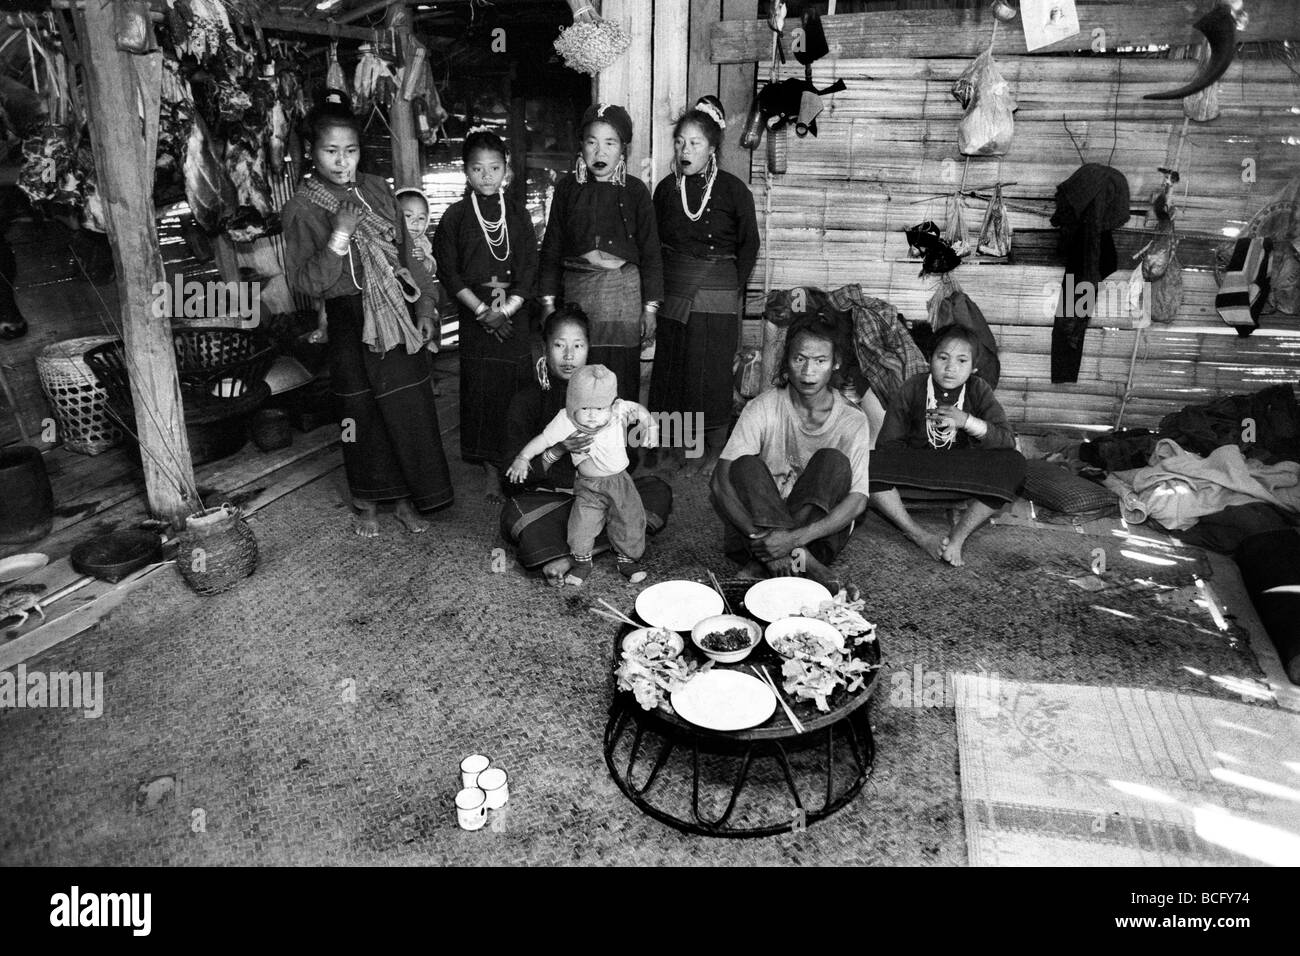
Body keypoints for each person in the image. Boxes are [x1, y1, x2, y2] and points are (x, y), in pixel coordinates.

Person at [282, 92, 452, 537]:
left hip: (397, 312)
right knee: (361, 415)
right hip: (348, 321)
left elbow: (410, 257)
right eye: (331, 151)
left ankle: (406, 502)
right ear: (312, 153)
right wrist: (339, 236)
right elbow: (305, 282)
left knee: (407, 408)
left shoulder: (378, 190)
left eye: (351, 150)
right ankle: (368, 504)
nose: (342, 162)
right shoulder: (302, 207)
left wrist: (427, 306)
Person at [499, 305, 672, 586]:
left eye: (578, 346)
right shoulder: (526, 399)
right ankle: (606, 544)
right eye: (559, 345)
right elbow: (510, 475)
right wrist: (558, 451)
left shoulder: (604, 396)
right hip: (555, 499)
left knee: (656, 490)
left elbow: (631, 460)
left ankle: (577, 554)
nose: (569, 356)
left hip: (605, 494)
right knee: (515, 516)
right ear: (544, 347)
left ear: (588, 349)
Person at [710, 312, 871, 588]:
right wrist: (764, 543)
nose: (808, 372)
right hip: (756, 535)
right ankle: (805, 567)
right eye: (800, 359)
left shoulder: (853, 419)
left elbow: (858, 500)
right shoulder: (763, 406)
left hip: (815, 539)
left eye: (820, 361)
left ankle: (773, 565)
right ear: (787, 360)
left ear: (836, 363)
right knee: (743, 464)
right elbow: (719, 483)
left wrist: (793, 540)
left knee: (832, 461)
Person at [651, 96, 759, 478]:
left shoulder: (733, 191)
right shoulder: (665, 190)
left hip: (717, 295)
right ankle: (674, 447)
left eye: (694, 143)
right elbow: (654, 245)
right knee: (675, 370)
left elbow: (750, 245)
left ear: (712, 148)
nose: (685, 150)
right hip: (675, 292)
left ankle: (710, 450)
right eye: (680, 142)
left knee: (709, 375)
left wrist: (730, 285)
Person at [433, 130, 539, 501]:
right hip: (475, 315)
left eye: (494, 168)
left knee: (515, 390)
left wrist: (507, 310)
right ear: (466, 172)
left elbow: (529, 266)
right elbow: (448, 271)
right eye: (478, 169)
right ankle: (490, 468)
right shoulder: (455, 216)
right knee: (482, 391)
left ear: (506, 169)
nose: (487, 176)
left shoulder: (519, 213)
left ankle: (518, 460)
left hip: (514, 315)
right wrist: (483, 312)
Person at [869, 325, 1026, 566]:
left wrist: (966, 422)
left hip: (962, 475)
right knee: (866, 464)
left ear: (973, 367)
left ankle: (958, 536)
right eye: (943, 358)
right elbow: (888, 444)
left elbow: (1006, 440)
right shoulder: (913, 387)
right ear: (930, 359)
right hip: (916, 471)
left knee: (1014, 463)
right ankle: (918, 535)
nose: (951, 368)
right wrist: (914, 457)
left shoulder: (978, 389)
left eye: (961, 360)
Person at [538, 103, 663, 403]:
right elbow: (552, 248)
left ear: (624, 150)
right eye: (592, 142)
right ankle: (578, 445)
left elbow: (651, 253)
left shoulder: (635, 192)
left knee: (621, 380)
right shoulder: (567, 189)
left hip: (624, 299)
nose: (600, 152)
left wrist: (650, 309)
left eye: (610, 143)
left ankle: (621, 448)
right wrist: (546, 302)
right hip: (579, 298)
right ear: (581, 146)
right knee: (579, 375)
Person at [507, 363, 657, 585]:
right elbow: (542, 441)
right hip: (588, 487)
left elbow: (640, 411)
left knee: (630, 520)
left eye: (599, 409)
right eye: (585, 408)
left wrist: (650, 427)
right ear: (572, 405)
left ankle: (627, 561)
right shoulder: (565, 419)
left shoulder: (618, 410)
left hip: (620, 482)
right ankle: (581, 562)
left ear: (612, 404)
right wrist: (523, 458)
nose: (593, 416)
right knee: (580, 526)